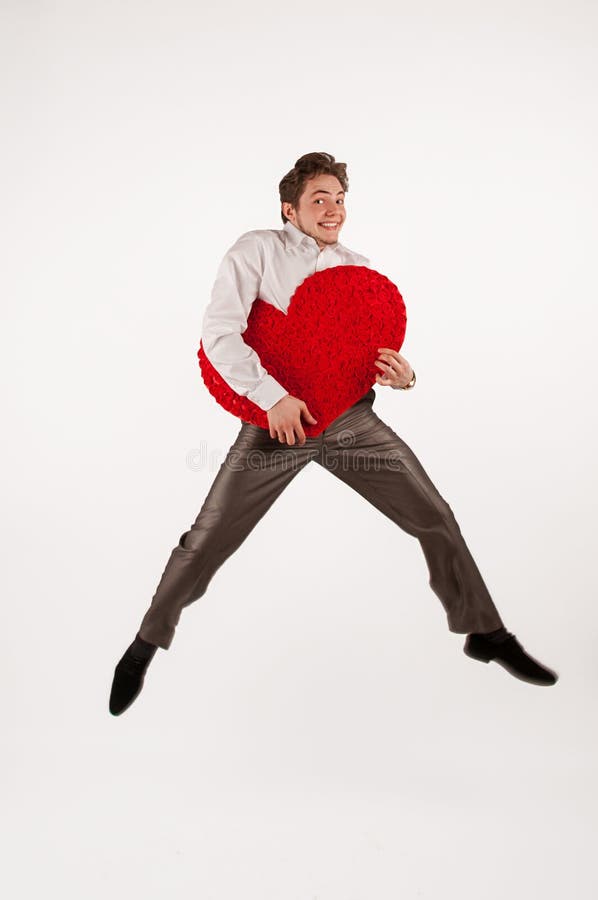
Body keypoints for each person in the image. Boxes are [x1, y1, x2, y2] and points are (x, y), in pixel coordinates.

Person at [109, 152, 558, 716]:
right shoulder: (256, 250)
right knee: (208, 538)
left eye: (340, 199)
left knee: (434, 516)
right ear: (289, 209)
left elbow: (364, 358)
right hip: (276, 427)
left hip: (348, 422)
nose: (333, 209)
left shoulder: (358, 271)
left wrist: (405, 377)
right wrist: (272, 399)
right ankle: (144, 645)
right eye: (319, 199)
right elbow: (219, 333)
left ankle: (484, 632)